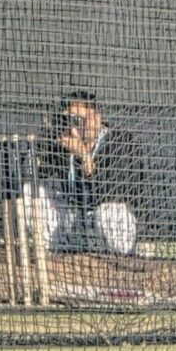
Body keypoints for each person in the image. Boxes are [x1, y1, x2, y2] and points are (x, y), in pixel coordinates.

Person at [25, 91, 147, 256]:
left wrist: (84, 156)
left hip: (107, 224)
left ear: (96, 117)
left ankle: (119, 262)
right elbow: (32, 170)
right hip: (73, 222)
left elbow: (109, 193)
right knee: (30, 192)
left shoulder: (121, 142)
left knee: (109, 212)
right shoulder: (63, 143)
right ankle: (56, 258)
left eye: (78, 120)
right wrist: (48, 138)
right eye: (69, 121)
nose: (74, 128)